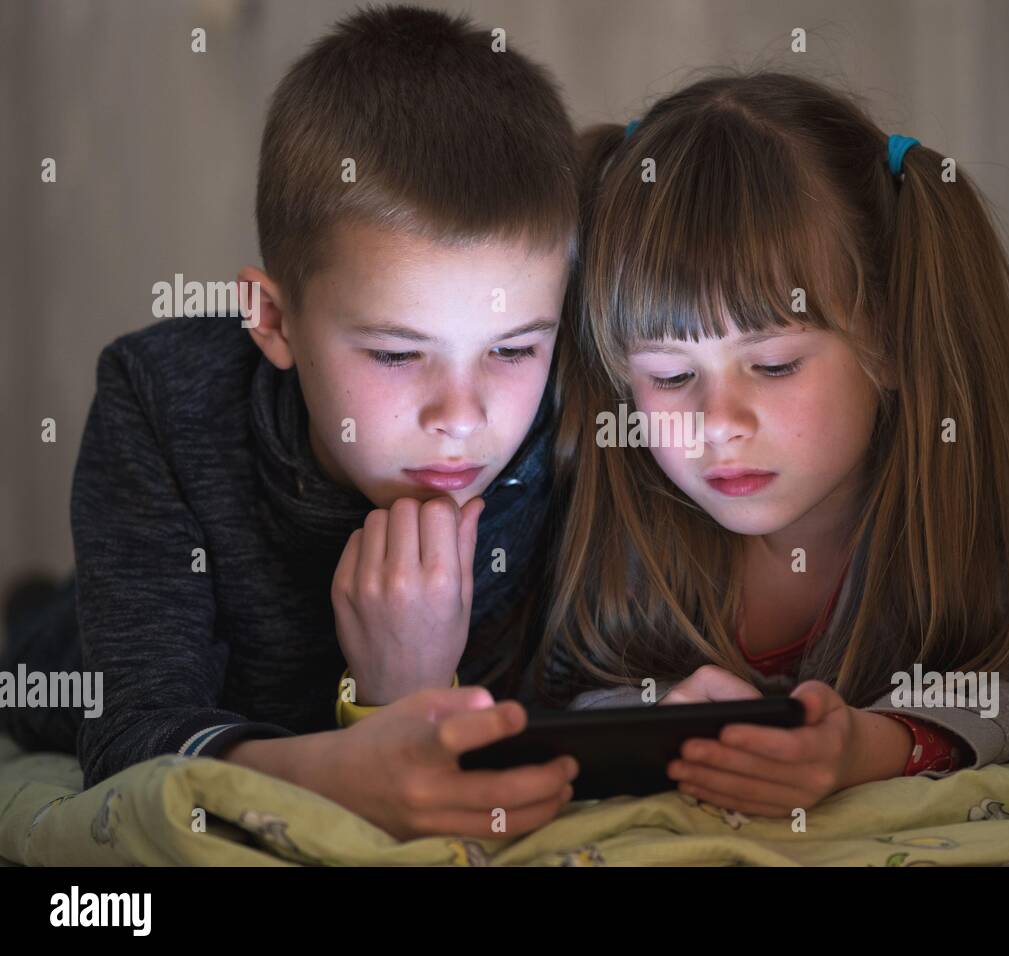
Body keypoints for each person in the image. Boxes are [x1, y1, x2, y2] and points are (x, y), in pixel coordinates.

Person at [0, 5, 580, 842]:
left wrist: (406, 693)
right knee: (40, 643)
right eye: (395, 355)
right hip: (70, 644)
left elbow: (594, 685)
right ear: (272, 320)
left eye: (513, 350)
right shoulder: (162, 400)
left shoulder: (573, 419)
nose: (462, 419)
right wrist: (372, 747)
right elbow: (132, 737)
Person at [534, 72, 1009, 818]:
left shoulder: (967, 511)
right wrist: (660, 714)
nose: (718, 422)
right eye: (670, 375)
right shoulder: (606, 514)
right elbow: (550, 702)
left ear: (891, 341)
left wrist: (870, 745)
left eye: (773, 366)